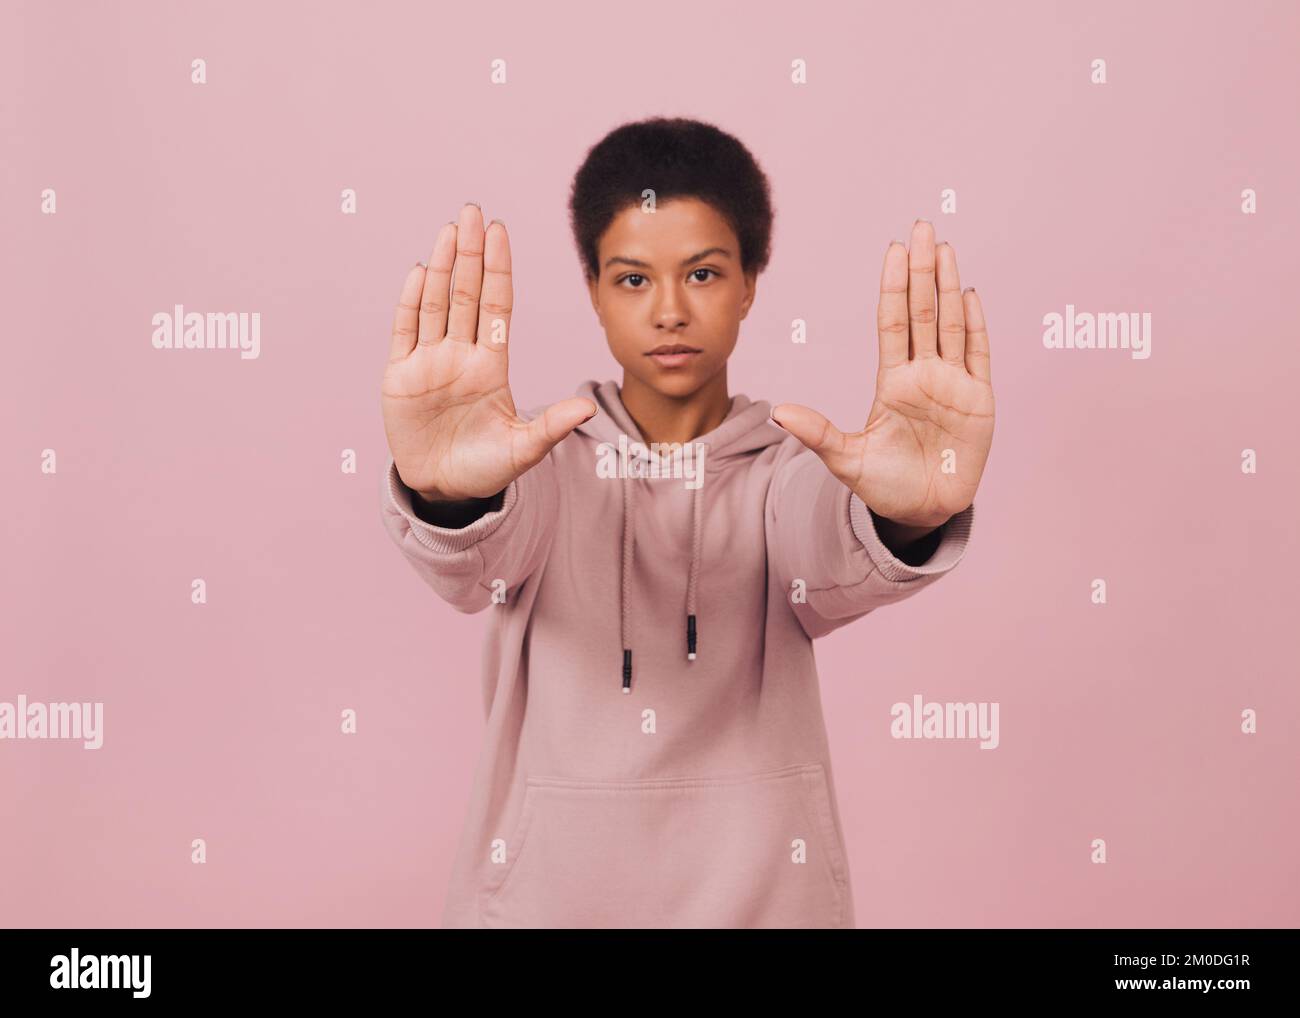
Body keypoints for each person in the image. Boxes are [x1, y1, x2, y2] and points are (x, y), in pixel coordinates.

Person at [378, 116, 995, 928]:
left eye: (702, 274)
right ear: (594, 291)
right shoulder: (537, 463)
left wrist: (906, 514)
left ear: (749, 283)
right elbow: (479, 559)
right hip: (545, 902)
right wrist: (451, 497)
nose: (669, 311)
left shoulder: (790, 470)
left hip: (768, 901)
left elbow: (830, 546)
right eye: (633, 280)